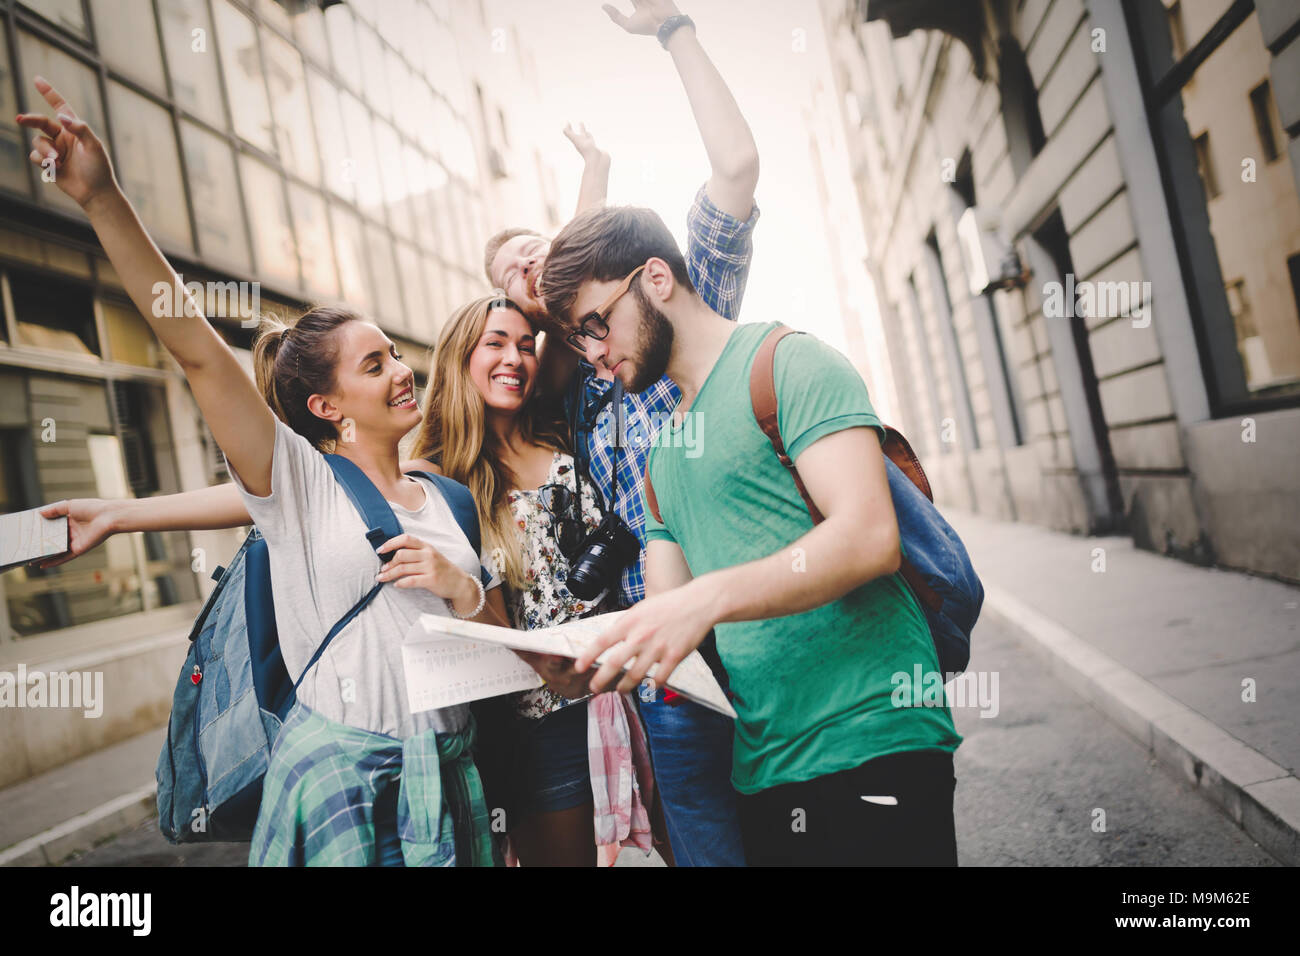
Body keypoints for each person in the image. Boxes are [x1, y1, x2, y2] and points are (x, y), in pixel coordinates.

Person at [17, 77, 525, 867]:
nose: (400, 371)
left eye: (394, 353)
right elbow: (193, 349)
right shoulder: (297, 484)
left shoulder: (448, 498)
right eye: (373, 364)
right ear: (325, 406)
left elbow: (503, 657)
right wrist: (103, 198)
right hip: (345, 791)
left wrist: (464, 590)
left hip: (451, 785)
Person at [541, 204, 964, 866]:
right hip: (763, 772)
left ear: (655, 279)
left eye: (597, 323)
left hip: (873, 739)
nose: (594, 352)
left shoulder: (788, 363)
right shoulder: (661, 457)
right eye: (577, 338)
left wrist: (708, 598)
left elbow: (868, 537)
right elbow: (665, 621)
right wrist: (588, 668)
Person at [482, 0, 760, 867]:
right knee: (706, 850)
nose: (526, 267)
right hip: (670, 671)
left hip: (762, 632)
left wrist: (671, 29)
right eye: (509, 276)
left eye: (535, 248)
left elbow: (736, 171)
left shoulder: (676, 316)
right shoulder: (570, 397)